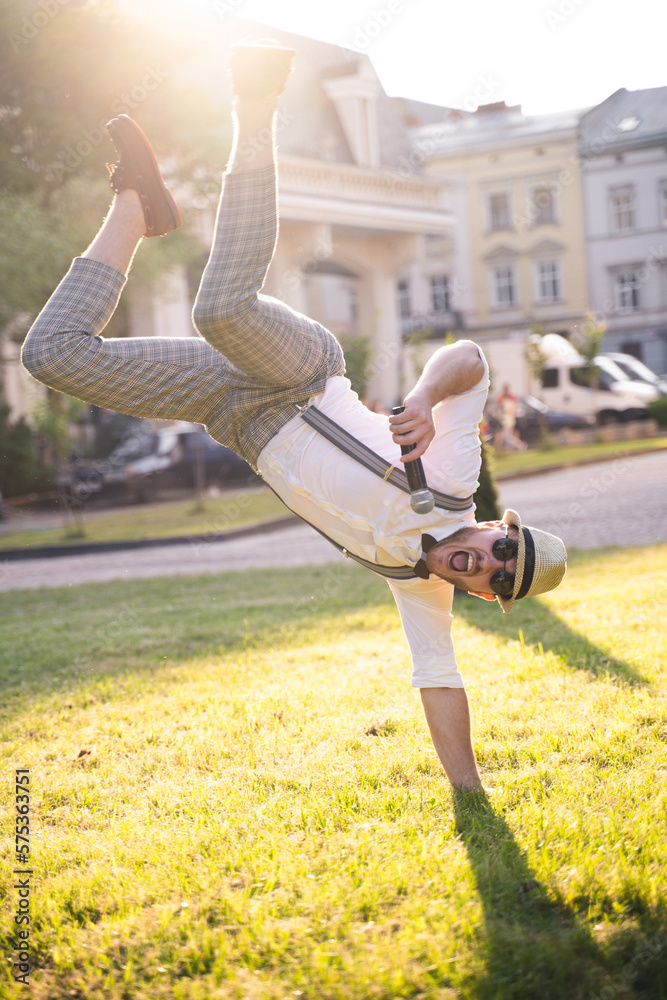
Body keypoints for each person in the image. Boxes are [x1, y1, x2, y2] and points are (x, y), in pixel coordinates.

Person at [21, 44, 566, 790]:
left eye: (500, 583)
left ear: (485, 599)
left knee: (54, 356)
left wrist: (470, 793)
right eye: (506, 553)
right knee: (219, 308)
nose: (490, 567)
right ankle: (255, 103)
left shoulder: (417, 585)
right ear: (498, 531)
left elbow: (438, 678)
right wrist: (424, 398)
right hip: (302, 372)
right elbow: (469, 357)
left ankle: (136, 208)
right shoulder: (449, 482)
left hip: (231, 413)